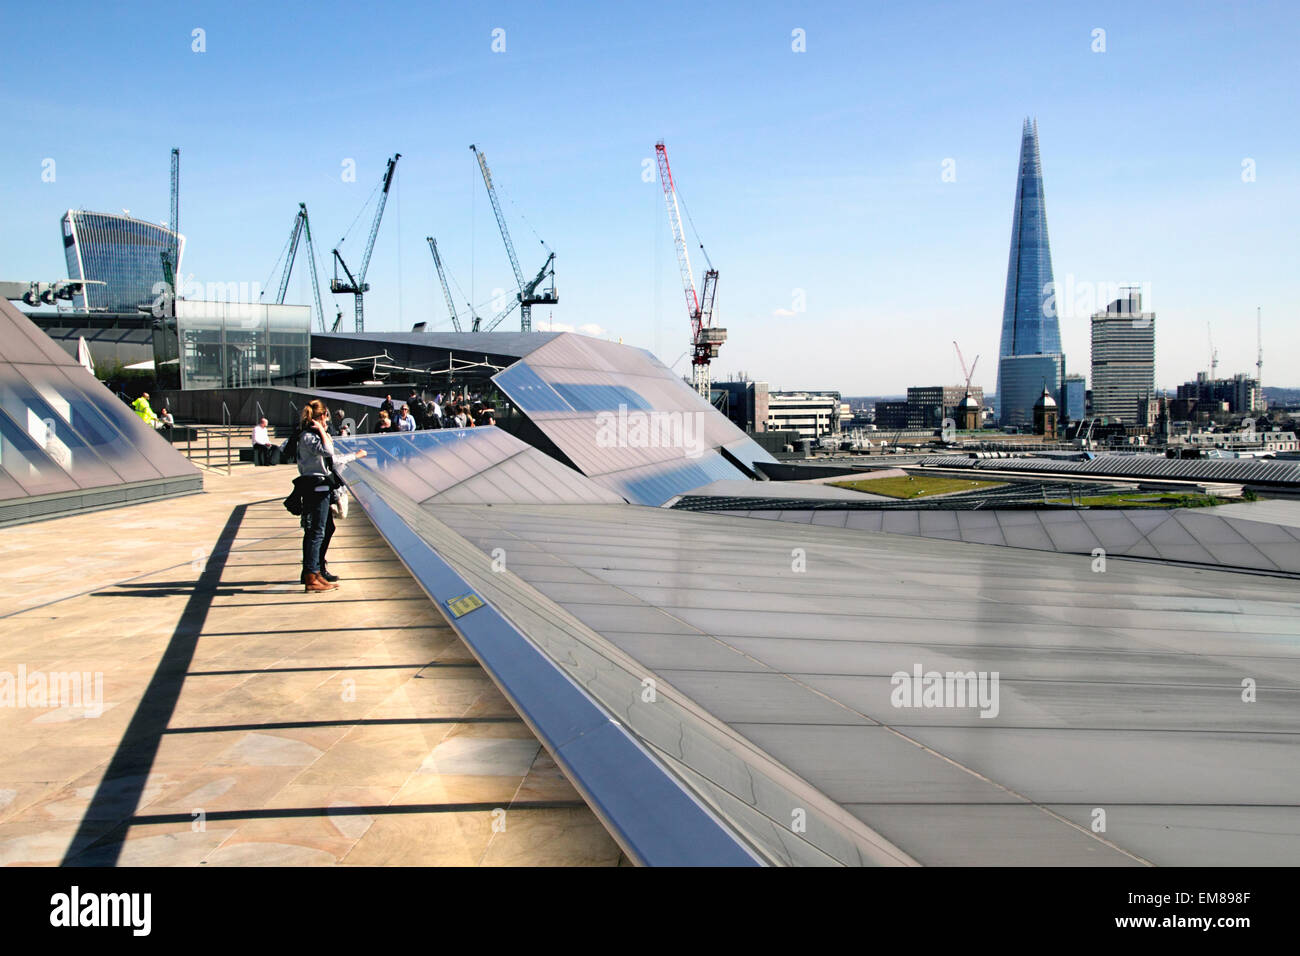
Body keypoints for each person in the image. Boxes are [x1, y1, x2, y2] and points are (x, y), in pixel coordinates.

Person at [295, 400, 366, 593]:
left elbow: (331, 460)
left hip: (321, 488)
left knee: (324, 529)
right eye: (325, 418)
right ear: (319, 418)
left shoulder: (313, 436)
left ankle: (316, 572)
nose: (327, 422)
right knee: (316, 532)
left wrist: (354, 456)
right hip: (315, 488)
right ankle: (311, 575)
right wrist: (321, 430)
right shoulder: (309, 437)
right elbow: (328, 452)